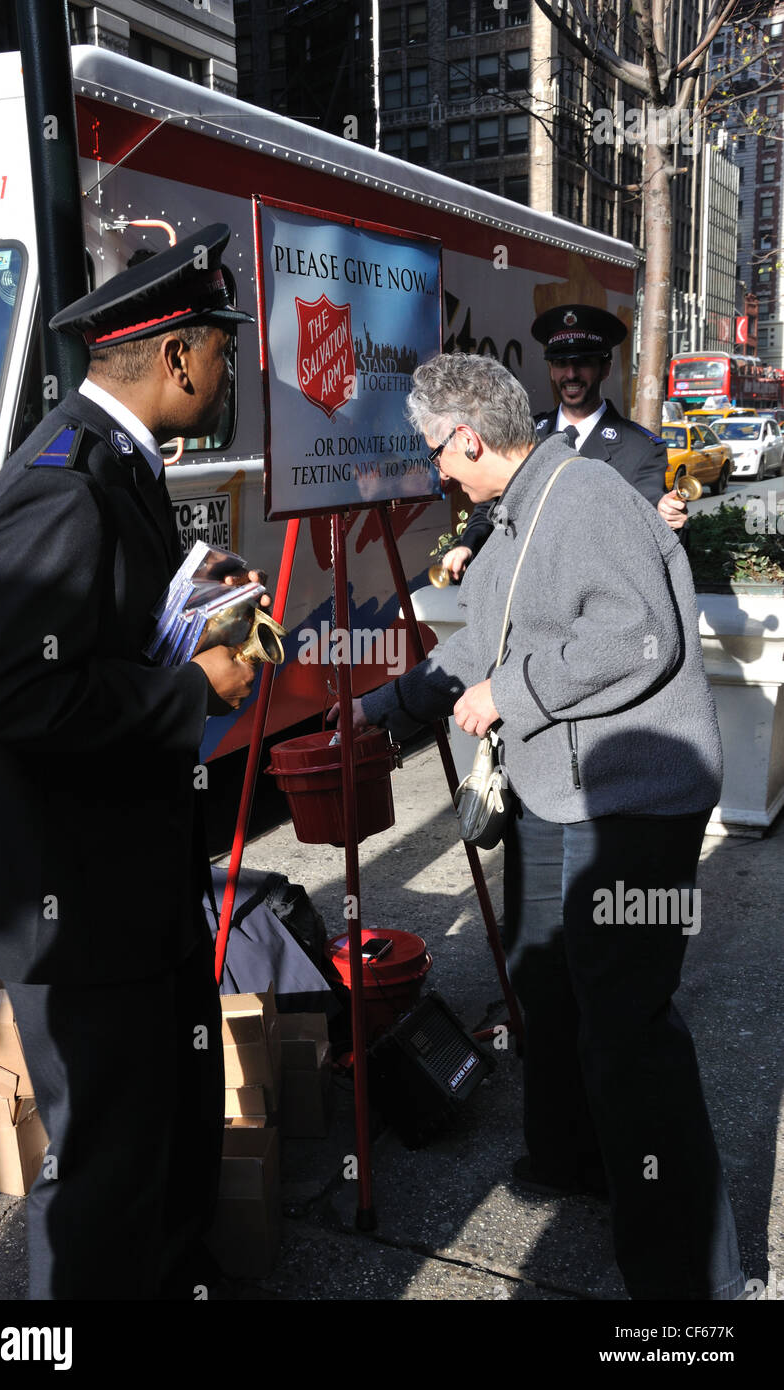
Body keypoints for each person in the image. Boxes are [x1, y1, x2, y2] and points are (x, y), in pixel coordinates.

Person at [340, 352, 745, 1300]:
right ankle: (574, 1162)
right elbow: (490, 634)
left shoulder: (586, 495)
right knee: (544, 992)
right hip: (558, 796)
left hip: (634, 807)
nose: (435, 470)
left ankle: (687, 1278)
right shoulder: (520, 505)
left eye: (436, 452)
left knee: (627, 1026)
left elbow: (638, 634)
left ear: (468, 437)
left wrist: (506, 693)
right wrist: (380, 707)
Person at [0, 224, 262, 1300]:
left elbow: (90, 637)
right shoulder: (65, 480)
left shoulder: (116, 456)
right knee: (104, 1173)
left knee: (163, 1121)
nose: (229, 370)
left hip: (125, 873)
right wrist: (189, 690)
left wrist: (190, 603)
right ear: (175, 358)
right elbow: (13, 690)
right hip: (71, 895)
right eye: (221, 347)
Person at [441, 304, 687, 578]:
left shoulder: (640, 449)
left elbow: (650, 513)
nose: (570, 375)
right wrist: (469, 546)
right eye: (561, 363)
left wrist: (667, 514)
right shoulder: (525, 435)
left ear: (605, 368)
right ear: (550, 369)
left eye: (582, 362)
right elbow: (493, 503)